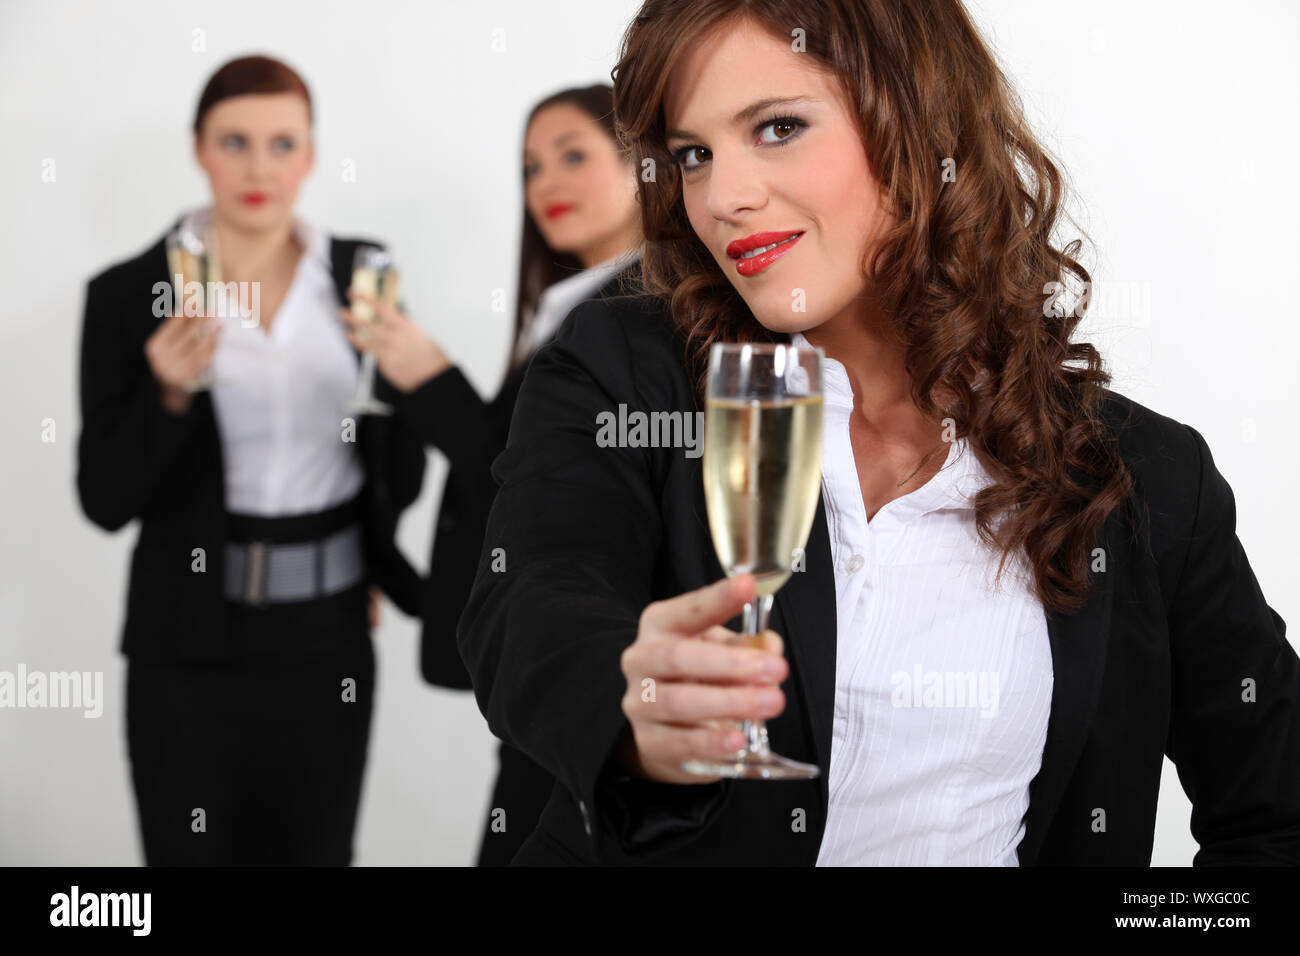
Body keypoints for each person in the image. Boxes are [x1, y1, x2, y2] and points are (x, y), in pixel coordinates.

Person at [454, 0, 1300, 865]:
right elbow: (530, 598)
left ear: (922, 125)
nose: (725, 197)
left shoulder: (1144, 475)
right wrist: (627, 706)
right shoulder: (627, 370)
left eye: (778, 127)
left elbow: (1273, 813)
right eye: (693, 155)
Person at [76, 54, 426, 866]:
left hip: (329, 630)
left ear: (309, 155)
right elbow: (102, 498)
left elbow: (397, 443)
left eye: (281, 143)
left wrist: (375, 545)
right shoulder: (128, 294)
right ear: (199, 149)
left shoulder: (362, 273)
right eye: (235, 142)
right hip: (187, 637)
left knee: (317, 853)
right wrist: (165, 396)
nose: (259, 168)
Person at [339, 84, 643, 865]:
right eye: (530, 167)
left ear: (643, 162)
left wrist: (434, 383)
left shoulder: (637, 316)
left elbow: (543, 496)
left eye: (574, 156)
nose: (547, 183)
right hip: (548, 675)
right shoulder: (567, 307)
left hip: (597, 680)